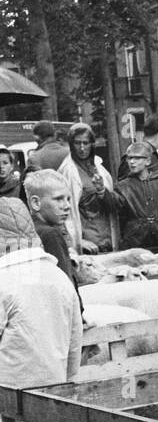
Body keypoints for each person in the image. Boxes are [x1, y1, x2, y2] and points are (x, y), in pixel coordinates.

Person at [0, 232, 82, 388]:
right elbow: (75, 339)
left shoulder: (3, 280)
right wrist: (67, 378)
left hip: (8, 391)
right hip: (54, 386)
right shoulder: (59, 276)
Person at [24, 170, 83, 305]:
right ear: (35, 203)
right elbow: (65, 282)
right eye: (58, 199)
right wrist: (79, 315)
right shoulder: (51, 234)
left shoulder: (27, 230)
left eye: (68, 199)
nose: (67, 206)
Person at [59, 123, 119, 254]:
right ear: (71, 144)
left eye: (85, 143)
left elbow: (112, 205)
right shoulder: (68, 171)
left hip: (108, 239)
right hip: (87, 245)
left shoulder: (100, 167)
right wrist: (77, 241)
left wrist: (102, 191)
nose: (82, 148)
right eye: (77, 143)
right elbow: (61, 213)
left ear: (92, 144)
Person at [115, 142, 158, 250]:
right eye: (129, 158)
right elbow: (113, 205)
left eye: (137, 158)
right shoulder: (123, 187)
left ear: (147, 161)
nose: (132, 162)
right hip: (135, 243)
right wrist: (102, 191)